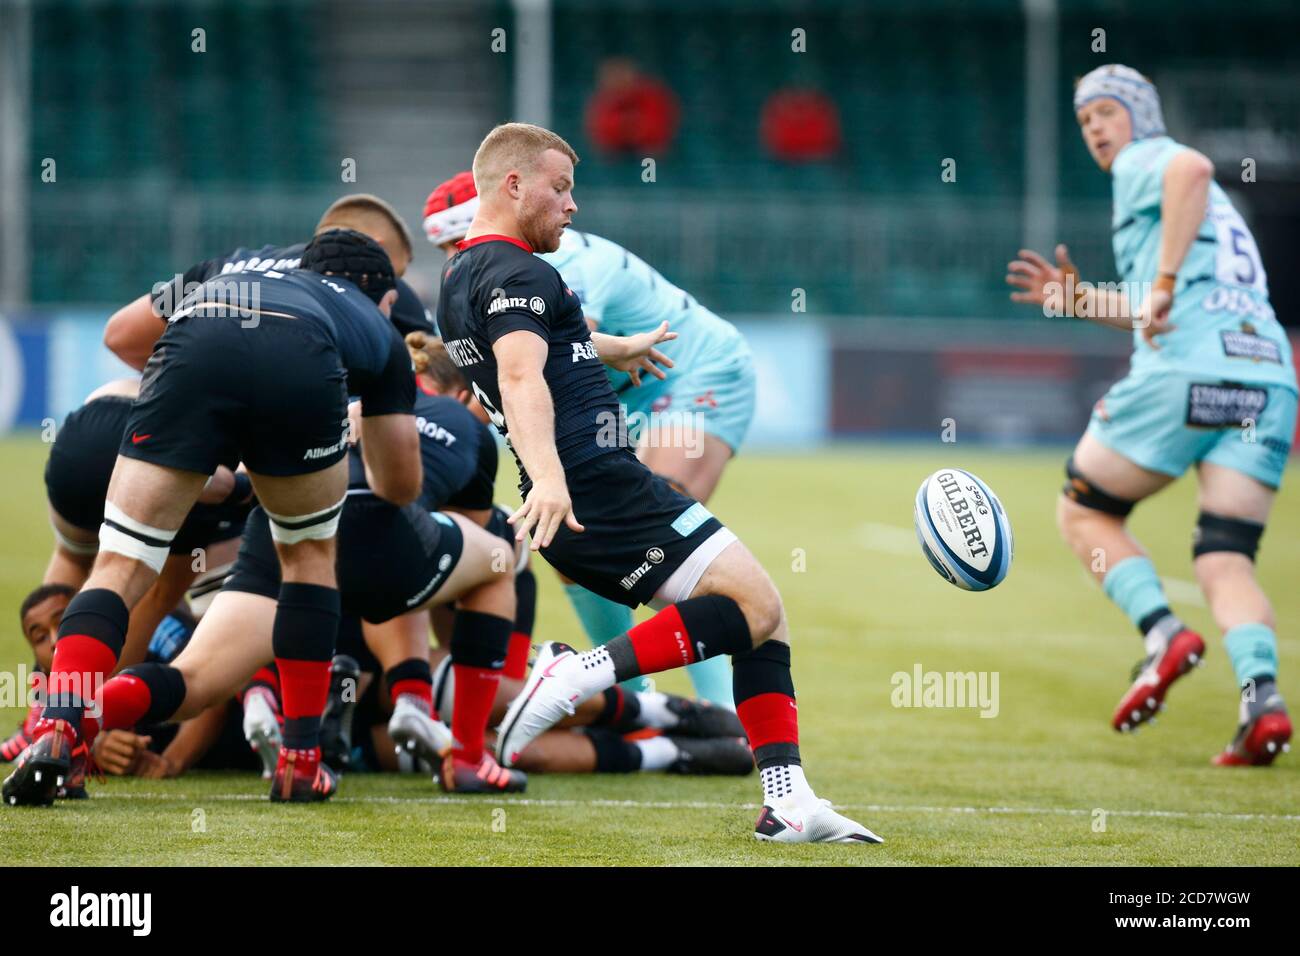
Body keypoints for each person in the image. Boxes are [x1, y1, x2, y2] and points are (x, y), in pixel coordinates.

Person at [435, 122, 880, 843]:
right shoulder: (522, 273)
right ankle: (578, 675)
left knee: (764, 614)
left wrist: (615, 348)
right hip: (598, 489)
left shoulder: (461, 279)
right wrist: (549, 480)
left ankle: (788, 800)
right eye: (560, 187)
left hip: (593, 491)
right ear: (513, 185)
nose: (571, 205)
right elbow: (518, 378)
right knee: (755, 605)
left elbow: (532, 350)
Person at [3, 229, 422, 807]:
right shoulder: (376, 325)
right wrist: (354, 421)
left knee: (121, 563)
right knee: (306, 557)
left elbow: (124, 335)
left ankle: (58, 724)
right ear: (383, 297)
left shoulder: (229, 267)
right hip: (302, 360)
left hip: (196, 336)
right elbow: (399, 486)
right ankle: (301, 761)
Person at [1006, 64, 1295, 764]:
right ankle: (1263, 701)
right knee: (1226, 557)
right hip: (1265, 379)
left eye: (1106, 111)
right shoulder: (1199, 212)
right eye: (1085, 122)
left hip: (1187, 374)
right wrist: (1077, 301)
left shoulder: (1151, 159)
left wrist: (1160, 284)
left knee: (1083, 511)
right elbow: (1153, 314)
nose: (1096, 129)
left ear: (1140, 115)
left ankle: (1164, 633)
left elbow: (1192, 167)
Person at [424, 170, 756, 707]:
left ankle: (719, 713)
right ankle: (635, 702)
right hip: (617, 390)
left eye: (454, 242)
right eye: (443, 248)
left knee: (658, 525)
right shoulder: (488, 269)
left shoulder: (557, 263)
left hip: (691, 370)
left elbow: (533, 368)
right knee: (580, 533)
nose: (453, 255)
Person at [43, 377, 254, 668]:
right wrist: (239, 487)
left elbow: (118, 336)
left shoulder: (189, 335)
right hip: (176, 450)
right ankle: (93, 707)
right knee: (158, 595)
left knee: (74, 557)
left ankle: (47, 699)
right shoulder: (298, 347)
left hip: (94, 426)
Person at [102, 193, 433, 372]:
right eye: (394, 273)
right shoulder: (374, 282)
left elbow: (120, 335)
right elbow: (439, 383)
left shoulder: (224, 265)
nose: (390, 287)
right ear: (373, 244)